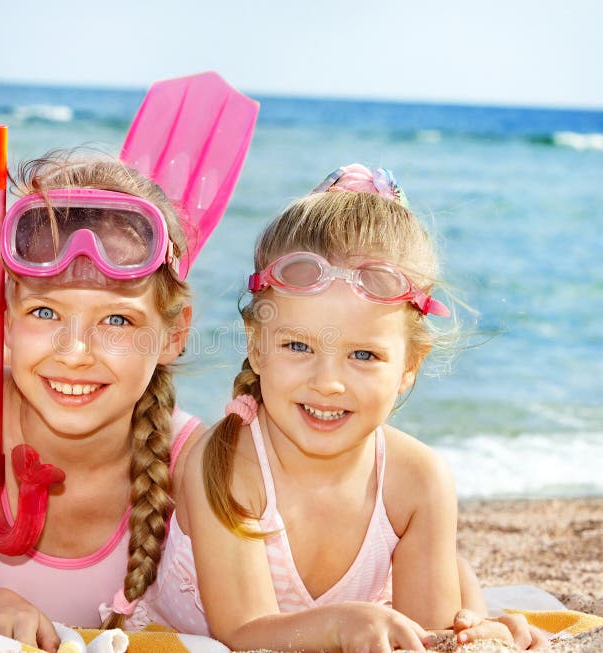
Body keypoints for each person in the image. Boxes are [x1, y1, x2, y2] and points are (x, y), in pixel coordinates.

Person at [117, 164, 546, 651]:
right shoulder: (225, 466)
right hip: (208, 636)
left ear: (410, 365)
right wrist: (340, 625)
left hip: (361, 615)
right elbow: (241, 633)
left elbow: (426, 639)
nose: (328, 383)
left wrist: (467, 635)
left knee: (466, 607)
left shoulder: (419, 481)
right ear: (257, 346)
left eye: (364, 355)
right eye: (298, 346)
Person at [0, 151, 206, 653]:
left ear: (174, 334)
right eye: (45, 311)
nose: (74, 353)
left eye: (116, 320)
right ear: (3, 316)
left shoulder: (192, 459)